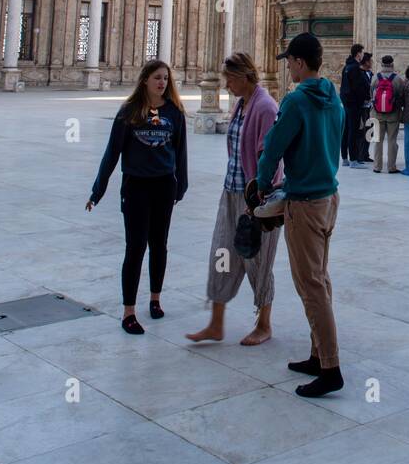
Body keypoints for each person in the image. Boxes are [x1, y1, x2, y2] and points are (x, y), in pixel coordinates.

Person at [255, 32, 344, 398]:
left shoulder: (295, 102)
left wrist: (261, 184)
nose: (287, 66)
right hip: (328, 197)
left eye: (289, 60)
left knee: (310, 286)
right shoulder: (333, 98)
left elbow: (272, 147)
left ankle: (331, 368)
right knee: (320, 279)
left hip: (304, 203)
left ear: (301, 63)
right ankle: (317, 352)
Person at [186, 53, 280, 348]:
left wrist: (261, 196)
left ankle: (264, 324)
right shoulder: (241, 105)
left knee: (257, 259)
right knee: (222, 252)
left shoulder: (265, 107)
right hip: (232, 191)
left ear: (243, 77)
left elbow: (271, 155)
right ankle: (216, 323)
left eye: (229, 78)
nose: (226, 85)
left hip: (256, 198)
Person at [87, 59, 188, 334]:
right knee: (135, 247)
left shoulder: (175, 113)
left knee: (159, 244)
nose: (162, 83)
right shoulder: (129, 112)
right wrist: (98, 189)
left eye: (165, 79)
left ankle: (155, 299)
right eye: (157, 78)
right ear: (145, 80)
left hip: (164, 186)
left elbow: (180, 152)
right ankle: (128, 312)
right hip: (136, 187)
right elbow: (112, 153)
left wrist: (182, 185)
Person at [372, 55, 405, 173]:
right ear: (392, 64)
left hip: (377, 115)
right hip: (393, 114)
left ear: (381, 64)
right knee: (392, 140)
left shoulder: (375, 77)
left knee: (377, 141)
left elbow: (371, 94)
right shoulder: (397, 79)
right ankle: (391, 167)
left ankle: (377, 166)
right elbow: (401, 96)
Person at [339, 43, 369, 167]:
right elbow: (358, 87)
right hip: (354, 103)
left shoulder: (346, 67)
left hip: (346, 102)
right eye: (362, 53)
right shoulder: (356, 68)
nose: (363, 55)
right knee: (353, 131)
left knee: (346, 130)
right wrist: (365, 99)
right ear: (358, 54)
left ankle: (345, 158)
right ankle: (353, 160)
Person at [358, 52, 374, 162]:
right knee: (361, 131)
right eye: (371, 61)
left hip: (371, 107)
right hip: (362, 107)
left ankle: (365, 154)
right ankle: (360, 154)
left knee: (371, 130)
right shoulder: (359, 73)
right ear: (367, 62)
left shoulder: (371, 74)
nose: (372, 63)